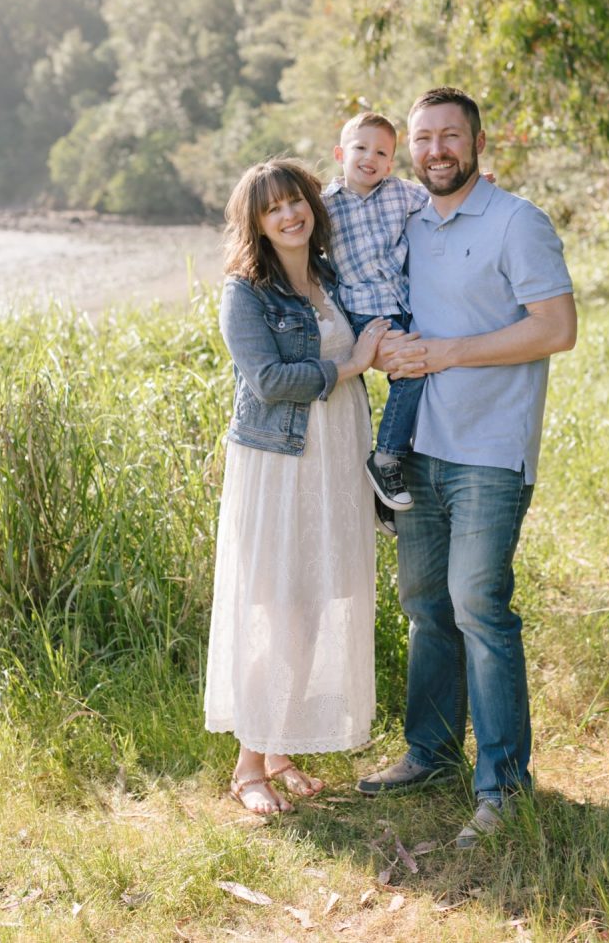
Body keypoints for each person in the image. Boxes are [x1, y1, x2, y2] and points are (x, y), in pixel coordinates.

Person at [354, 86, 577, 849]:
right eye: (423, 138)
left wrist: (451, 352)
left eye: (450, 136)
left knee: (479, 604)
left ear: (478, 143)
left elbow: (557, 327)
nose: (436, 150)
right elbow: (382, 302)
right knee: (425, 604)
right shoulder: (407, 222)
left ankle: (504, 787)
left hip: (489, 449)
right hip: (418, 447)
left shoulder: (518, 222)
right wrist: (383, 346)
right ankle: (431, 751)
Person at [205, 159, 390, 814]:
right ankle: (247, 766)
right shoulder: (245, 292)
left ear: (312, 204)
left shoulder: (330, 276)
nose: (289, 215)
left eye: (295, 201)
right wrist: (351, 365)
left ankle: (278, 746)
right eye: (273, 208)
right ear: (256, 223)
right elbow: (268, 382)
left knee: (313, 605)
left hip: (336, 458)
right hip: (282, 465)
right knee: (283, 608)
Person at [321, 111, 429, 517]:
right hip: (363, 312)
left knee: (419, 379)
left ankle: (384, 484)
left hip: (402, 304)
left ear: (390, 163)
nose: (370, 157)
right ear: (340, 154)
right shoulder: (324, 206)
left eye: (381, 153)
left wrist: (478, 188)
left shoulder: (400, 193)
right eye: (360, 148)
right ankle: (385, 460)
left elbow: (441, 200)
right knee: (409, 371)